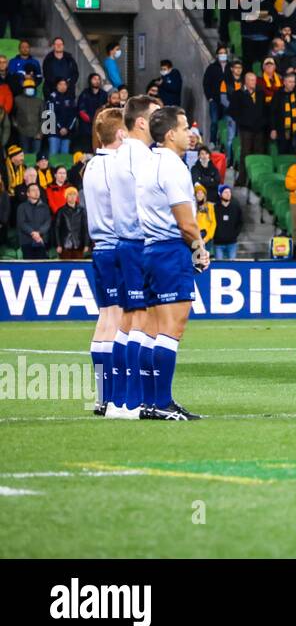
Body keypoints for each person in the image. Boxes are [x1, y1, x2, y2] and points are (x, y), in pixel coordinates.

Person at [138, 105, 208, 420]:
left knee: (152, 329)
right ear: (170, 134)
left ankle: (150, 401)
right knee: (171, 328)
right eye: (183, 128)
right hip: (171, 251)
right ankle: (161, 402)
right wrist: (199, 250)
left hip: (151, 249)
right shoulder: (175, 168)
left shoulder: (149, 162)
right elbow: (186, 223)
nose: (189, 133)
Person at [106, 95, 159, 420]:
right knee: (144, 320)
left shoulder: (119, 154)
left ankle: (118, 400)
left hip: (123, 241)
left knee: (127, 321)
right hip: (141, 242)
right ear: (141, 122)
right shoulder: (141, 157)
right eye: (154, 116)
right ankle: (133, 402)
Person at [83, 106, 126, 415]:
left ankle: (102, 396)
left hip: (100, 247)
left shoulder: (92, 165)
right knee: (118, 320)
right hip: (116, 247)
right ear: (121, 133)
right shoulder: (116, 167)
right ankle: (114, 396)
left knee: (105, 318)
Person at [17, 183, 50, 259]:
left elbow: (47, 222)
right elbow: (22, 223)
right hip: (27, 241)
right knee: (29, 267)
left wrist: (39, 233)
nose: (36, 192)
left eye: (37, 190)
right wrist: (33, 233)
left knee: (42, 267)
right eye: (33, 190)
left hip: (41, 241)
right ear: (28, 194)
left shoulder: (45, 207)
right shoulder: (22, 207)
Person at [212, 185, 242, 260]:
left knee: (233, 264)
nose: (228, 194)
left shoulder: (236, 207)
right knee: (219, 267)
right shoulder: (215, 208)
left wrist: (235, 234)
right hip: (218, 243)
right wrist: (216, 235)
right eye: (225, 192)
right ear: (220, 194)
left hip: (232, 242)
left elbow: (240, 222)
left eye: (229, 192)